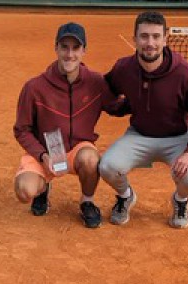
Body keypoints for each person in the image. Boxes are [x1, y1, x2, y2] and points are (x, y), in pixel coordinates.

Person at [99, 11, 188, 229]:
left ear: (165, 38)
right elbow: (105, 90)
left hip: (179, 138)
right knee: (107, 166)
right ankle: (126, 197)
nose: (150, 43)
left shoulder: (187, 74)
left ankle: (180, 201)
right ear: (135, 39)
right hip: (139, 135)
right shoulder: (124, 68)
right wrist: (121, 107)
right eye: (144, 36)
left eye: (155, 36)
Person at [13, 23, 120, 229]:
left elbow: (117, 106)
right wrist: (42, 155)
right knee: (24, 191)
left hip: (78, 150)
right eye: (64, 47)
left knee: (90, 159)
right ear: (56, 49)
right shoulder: (34, 87)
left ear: (84, 51)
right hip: (47, 152)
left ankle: (87, 201)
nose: (69, 54)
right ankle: (43, 189)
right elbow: (22, 129)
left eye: (75, 48)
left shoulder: (96, 82)